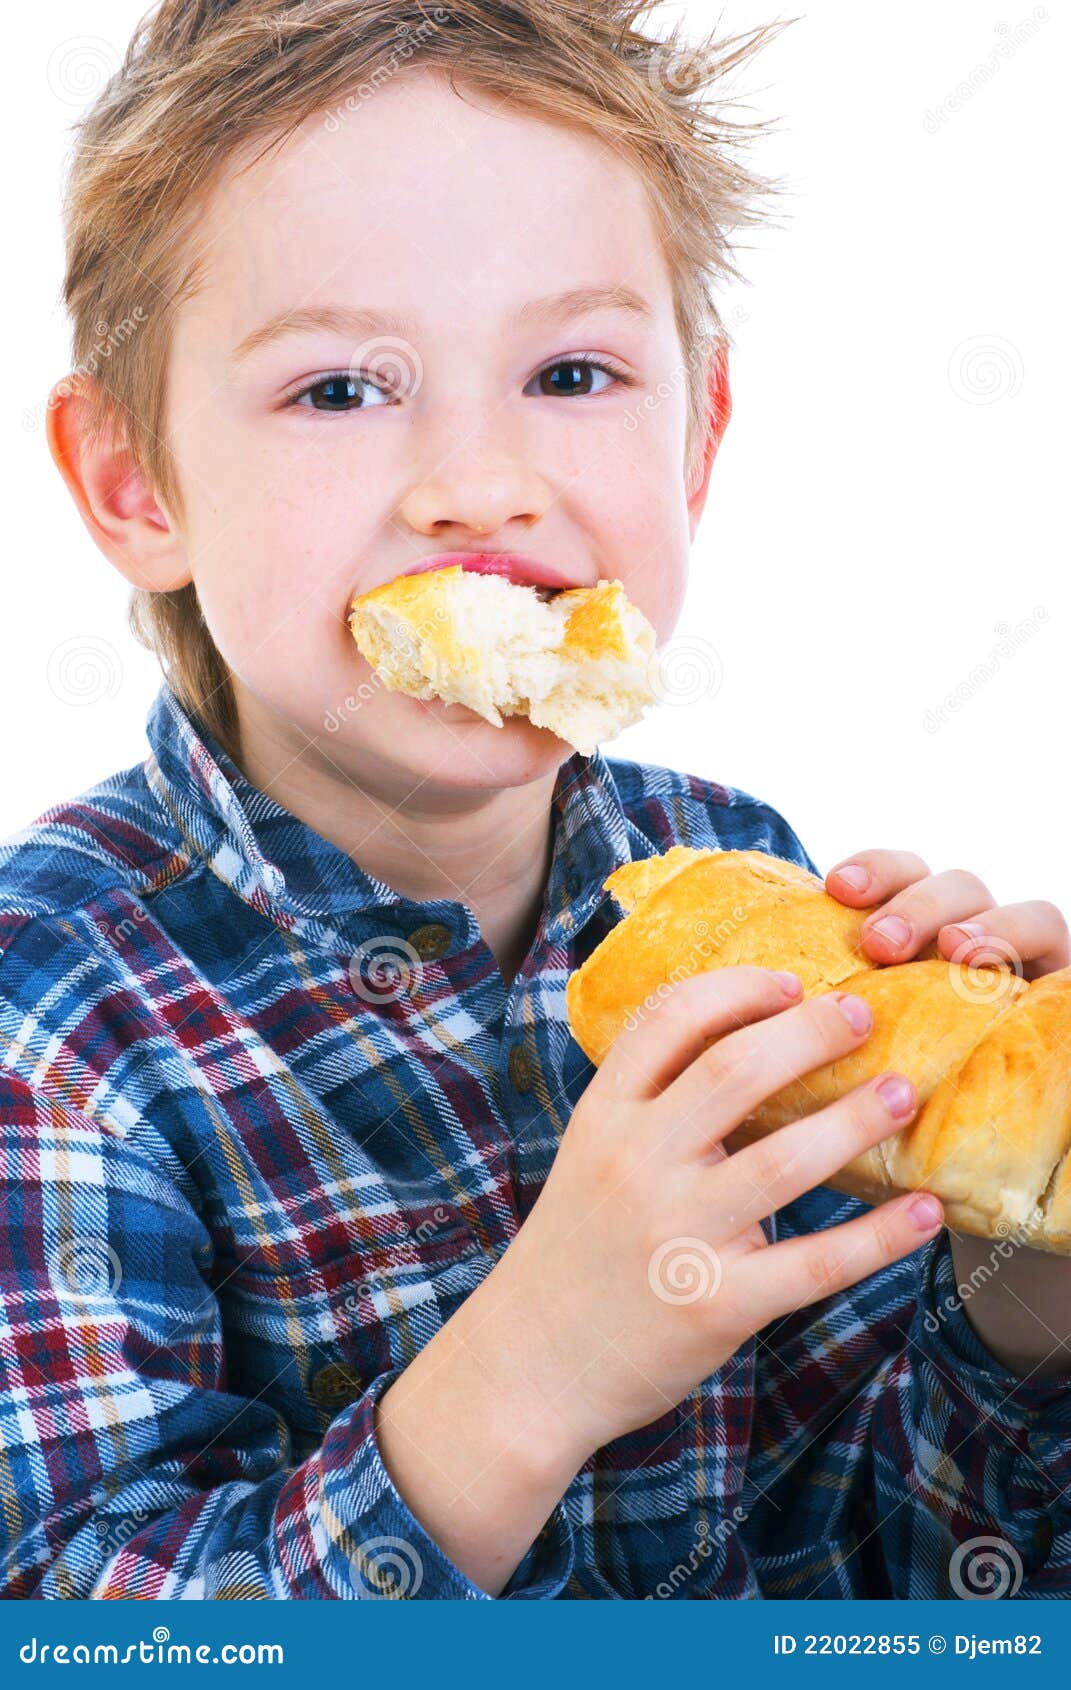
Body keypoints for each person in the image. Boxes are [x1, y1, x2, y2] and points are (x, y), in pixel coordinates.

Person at [2, 0, 1069, 1600]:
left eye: (572, 370)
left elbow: (874, 1566)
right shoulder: (54, 1018)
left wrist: (1020, 1260)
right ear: (135, 483)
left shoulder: (744, 886)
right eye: (342, 391)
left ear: (697, 442)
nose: (480, 482)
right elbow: (92, 1632)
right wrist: (535, 1371)